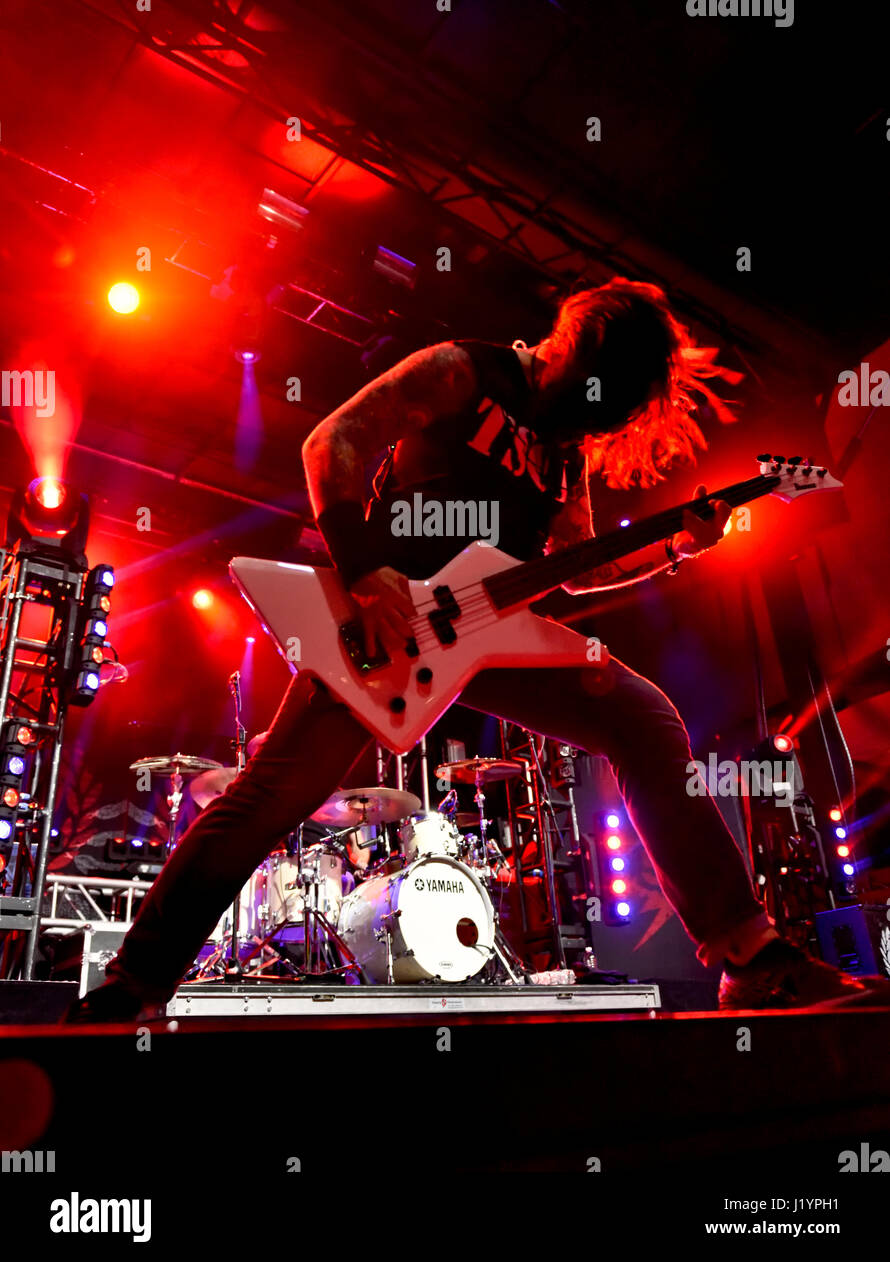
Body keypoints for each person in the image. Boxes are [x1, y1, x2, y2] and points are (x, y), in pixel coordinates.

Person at [67, 276, 886, 1020]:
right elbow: (332, 444)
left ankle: (747, 957)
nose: (590, 425)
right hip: (386, 625)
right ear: (573, 347)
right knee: (271, 797)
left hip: (491, 630)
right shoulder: (465, 370)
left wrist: (678, 546)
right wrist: (363, 571)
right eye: (589, 400)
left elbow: (568, 575)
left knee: (641, 717)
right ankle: (133, 986)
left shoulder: (568, 453)